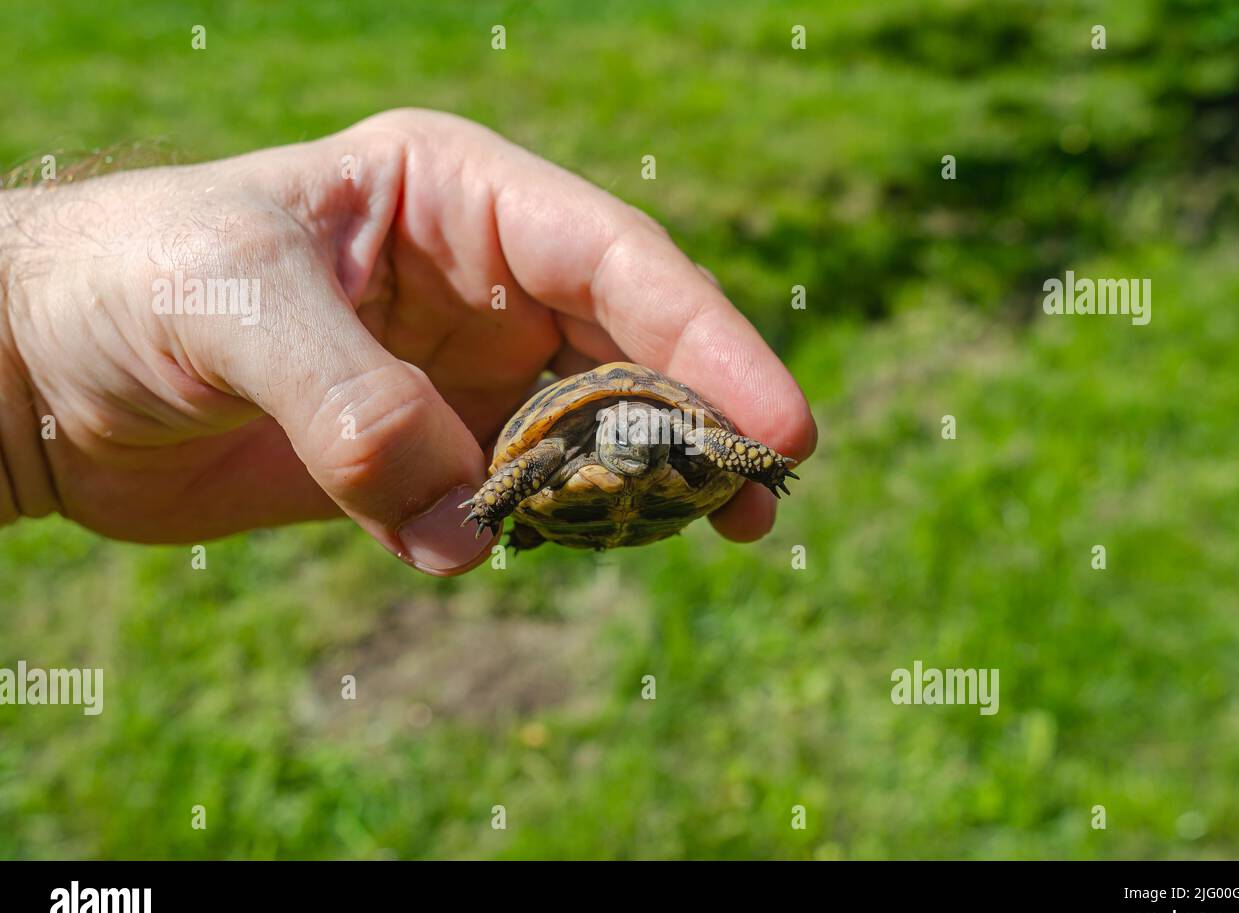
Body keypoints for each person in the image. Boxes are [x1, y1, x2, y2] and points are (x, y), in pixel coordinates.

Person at [0, 109, 816, 575]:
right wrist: (494, 498)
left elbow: (707, 439)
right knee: (518, 485)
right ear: (607, 425)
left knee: (748, 441)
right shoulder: (561, 445)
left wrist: (754, 459)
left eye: (651, 432)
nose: (645, 436)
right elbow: (531, 463)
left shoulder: (681, 440)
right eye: (639, 430)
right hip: (562, 481)